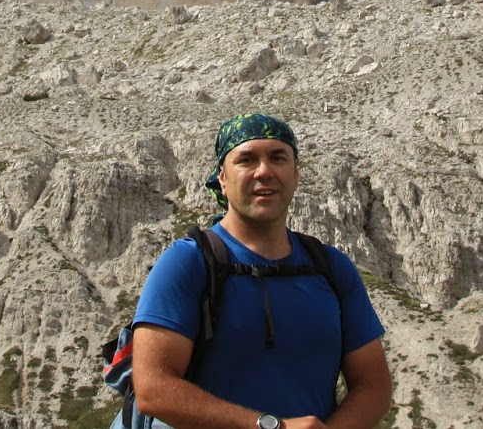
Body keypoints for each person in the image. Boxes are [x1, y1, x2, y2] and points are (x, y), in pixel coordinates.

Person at [129, 113, 393, 429]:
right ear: (223, 179)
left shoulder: (332, 268)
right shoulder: (189, 262)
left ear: (295, 174)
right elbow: (153, 389)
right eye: (246, 160)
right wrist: (271, 427)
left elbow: (373, 386)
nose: (264, 171)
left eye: (278, 157)